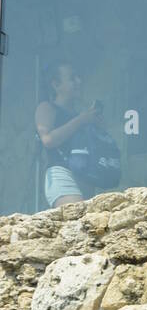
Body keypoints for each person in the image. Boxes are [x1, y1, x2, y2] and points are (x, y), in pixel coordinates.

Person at [35, 62, 103, 208]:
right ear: (56, 84)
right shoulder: (47, 108)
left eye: (78, 77)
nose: (79, 81)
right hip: (62, 175)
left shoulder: (79, 115)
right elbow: (48, 140)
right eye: (72, 78)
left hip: (85, 177)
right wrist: (82, 120)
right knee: (77, 219)